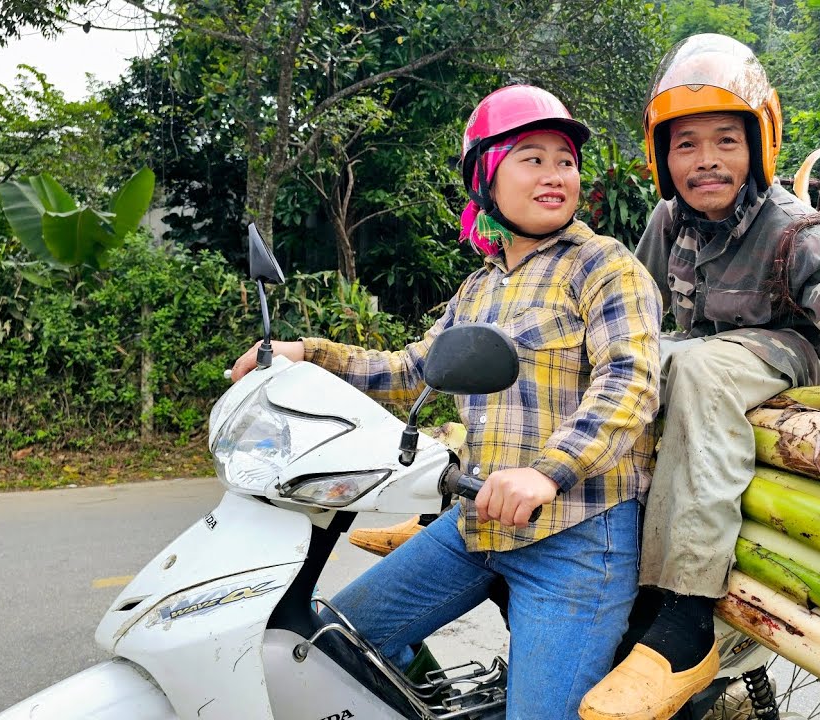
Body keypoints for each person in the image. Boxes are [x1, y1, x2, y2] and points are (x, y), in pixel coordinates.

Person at [230, 85, 662, 719]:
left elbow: (630, 382)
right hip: (477, 524)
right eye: (532, 158)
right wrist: (308, 355)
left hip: (575, 540)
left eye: (565, 160)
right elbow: (414, 369)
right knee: (330, 645)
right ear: (486, 177)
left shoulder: (604, 266)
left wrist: (546, 472)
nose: (555, 175)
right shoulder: (480, 287)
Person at [578, 34, 820, 720]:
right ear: (662, 156)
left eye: (725, 141)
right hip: (689, 384)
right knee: (639, 359)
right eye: (686, 145)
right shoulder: (667, 222)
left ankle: (683, 618)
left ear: (758, 146)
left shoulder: (796, 230)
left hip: (781, 366)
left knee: (698, 364)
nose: (706, 160)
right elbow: (634, 319)